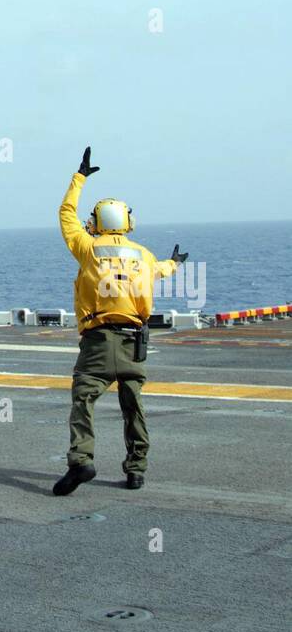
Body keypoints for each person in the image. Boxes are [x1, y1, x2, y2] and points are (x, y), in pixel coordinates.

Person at [53, 145, 187, 495]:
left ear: (97, 223)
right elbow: (159, 271)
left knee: (84, 399)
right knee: (134, 406)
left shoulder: (89, 248)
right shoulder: (143, 255)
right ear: (127, 222)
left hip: (98, 341)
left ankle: (81, 461)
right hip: (134, 343)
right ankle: (136, 469)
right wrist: (175, 264)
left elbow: (66, 214)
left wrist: (78, 178)